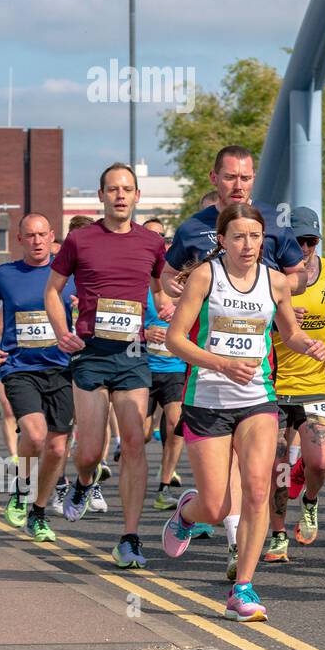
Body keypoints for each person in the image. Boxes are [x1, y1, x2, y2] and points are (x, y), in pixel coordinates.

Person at [160, 202, 325, 623]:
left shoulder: (275, 281)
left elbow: (288, 332)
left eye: (255, 236)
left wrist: (313, 345)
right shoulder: (204, 276)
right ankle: (187, 513)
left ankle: (243, 588)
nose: (248, 244)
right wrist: (220, 364)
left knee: (256, 491)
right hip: (208, 399)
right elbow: (176, 341)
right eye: (238, 236)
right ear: (222, 240)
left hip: (258, 397)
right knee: (216, 508)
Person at [45, 163, 167, 568]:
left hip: (132, 357)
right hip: (91, 353)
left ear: (136, 196)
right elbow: (53, 290)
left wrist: (166, 315)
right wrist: (62, 331)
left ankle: (130, 537)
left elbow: (162, 290)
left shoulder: (152, 242)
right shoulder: (80, 240)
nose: (120, 195)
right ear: (100, 196)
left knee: (135, 441)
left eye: (127, 189)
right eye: (112, 189)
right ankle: (83, 482)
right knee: (90, 451)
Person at [0, 214, 74, 540]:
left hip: (61, 368)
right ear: (20, 240)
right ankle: (21, 488)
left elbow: (88, 308)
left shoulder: (68, 274)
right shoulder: (6, 273)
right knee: (36, 434)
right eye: (30, 235)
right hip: (19, 368)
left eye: (43, 234)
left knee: (58, 450)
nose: (37, 240)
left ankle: (38, 512)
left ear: (52, 236)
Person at [266, 207, 325, 560]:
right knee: (279, 464)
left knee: (318, 462)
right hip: (274, 381)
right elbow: (248, 319)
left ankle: (311, 501)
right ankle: (278, 533)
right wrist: (277, 318)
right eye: (296, 242)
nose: (303, 249)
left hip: (316, 380)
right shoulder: (271, 276)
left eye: (310, 241)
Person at [160, 146, 307, 299]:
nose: (238, 186)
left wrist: (262, 287)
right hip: (210, 321)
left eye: (245, 178)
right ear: (213, 177)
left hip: (264, 321)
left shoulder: (275, 220)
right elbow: (168, 274)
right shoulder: (192, 227)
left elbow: (300, 277)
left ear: (253, 178)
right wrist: (173, 285)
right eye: (230, 177)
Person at [141, 217, 187, 512]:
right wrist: (145, 332)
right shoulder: (135, 280)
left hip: (174, 368)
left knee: (175, 425)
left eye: (162, 237)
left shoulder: (180, 281)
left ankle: (164, 485)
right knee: (141, 434)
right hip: (142, 366)